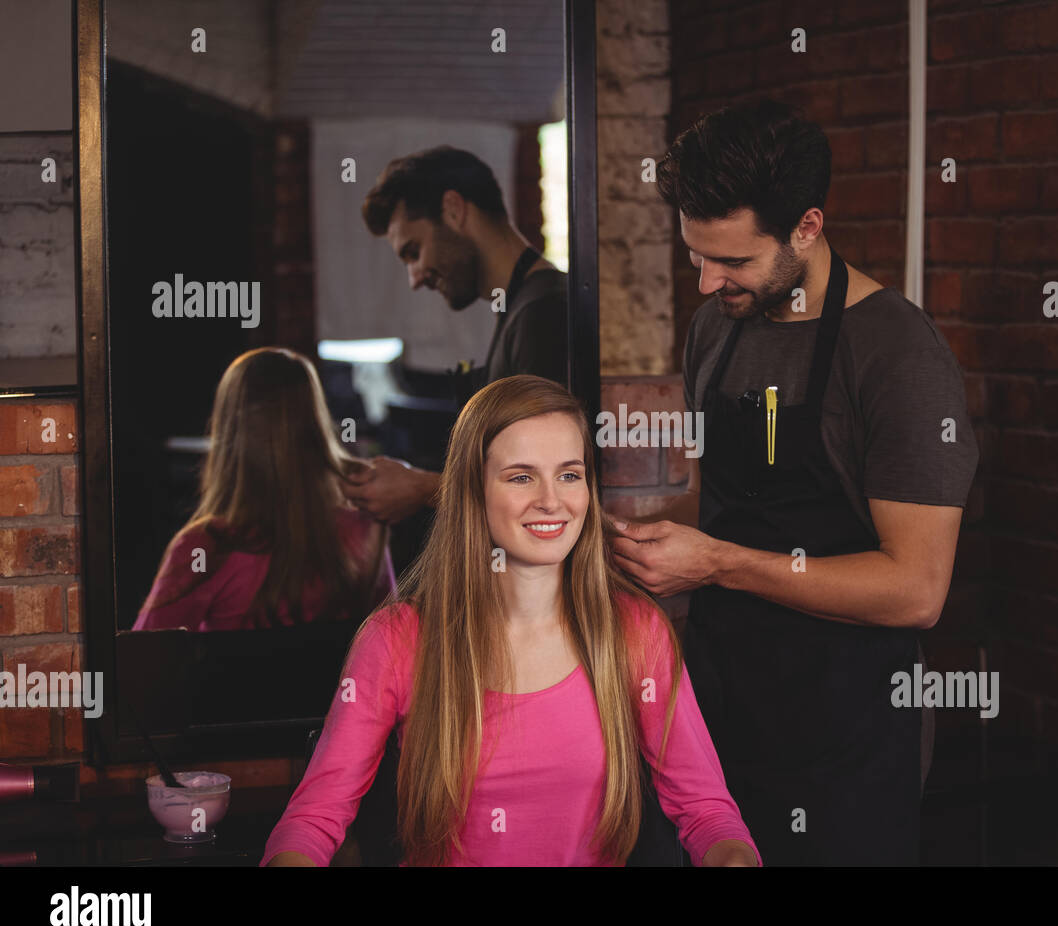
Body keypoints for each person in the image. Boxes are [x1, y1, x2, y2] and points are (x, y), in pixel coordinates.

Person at [610, 99, 979, 865]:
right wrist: (634, 536)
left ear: (807, 227)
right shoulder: (716, 326)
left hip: (846, 727)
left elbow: (916, 589)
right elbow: (718, 499)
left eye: (734, 261)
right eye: (696, 255)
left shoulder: (895, 354)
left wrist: (716, 563)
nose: (709, 280)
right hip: (718, 705)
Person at [261, 375, 760, 867]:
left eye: (569, 474)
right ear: (472, 492)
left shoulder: (634, 630)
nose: (551, 500)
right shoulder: (397, 639)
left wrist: (733, 857)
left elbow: (706, 811)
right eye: (521, 476)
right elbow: (314, 818)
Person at [345, 146, 568, 527]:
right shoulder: (517, 308)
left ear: (453, 209)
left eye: (414, 252)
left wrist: (420, 488)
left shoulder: (541, 311)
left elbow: (542, 489)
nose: (415, 279)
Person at [133, 348, 395, 632]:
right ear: (315, 425)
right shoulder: (363, 529)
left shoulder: (207, 546)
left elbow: (144, 660)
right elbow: (388, 643)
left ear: (229, 430)